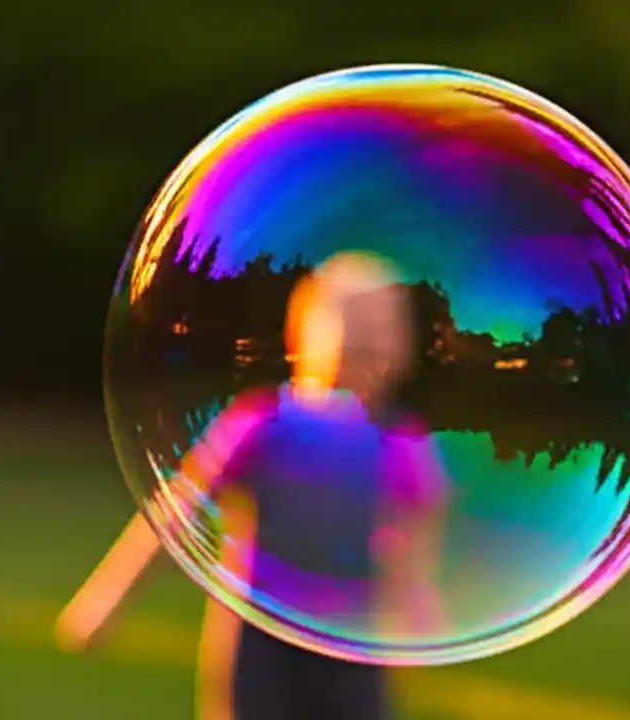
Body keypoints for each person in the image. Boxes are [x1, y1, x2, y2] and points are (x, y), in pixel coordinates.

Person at [57, 252, 449, 720]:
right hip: (258, 631)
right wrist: (108, 595)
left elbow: (411, 532)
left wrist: (416, 602)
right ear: (304, 332)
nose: (371, 338)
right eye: (357, 321)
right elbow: (178, 510)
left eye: (384, 325)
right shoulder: (264, 422)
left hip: (351, 637)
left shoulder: (400, 441)